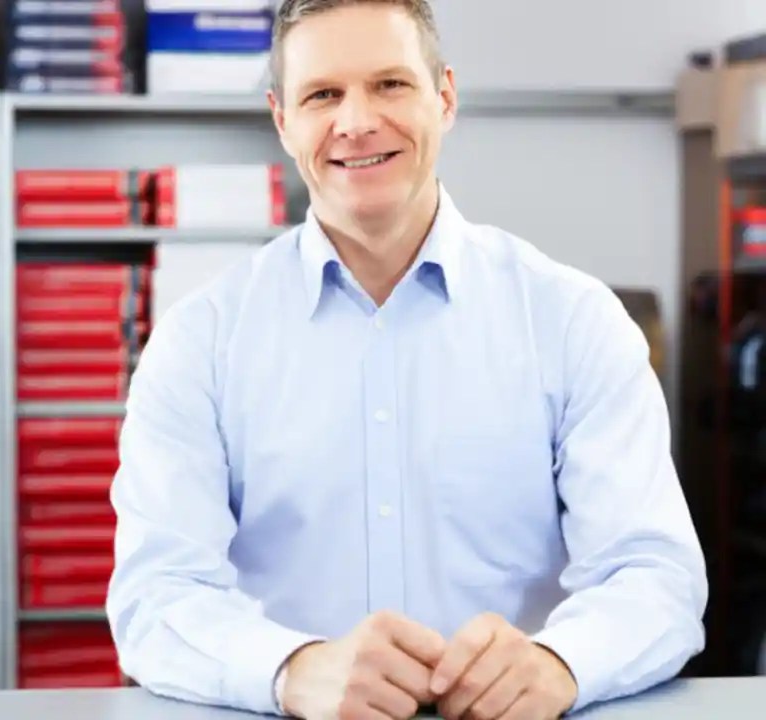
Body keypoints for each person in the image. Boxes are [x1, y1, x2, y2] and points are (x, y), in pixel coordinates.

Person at [104, 1, 709, 719]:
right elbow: (155, 596)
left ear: (444, 97)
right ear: (282, 120)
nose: (357, 121)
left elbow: (655, 574)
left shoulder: (574, 322)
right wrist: (290, 671)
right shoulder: (200, 341)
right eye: (323, 94)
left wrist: (561, 662)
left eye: (389, 84)